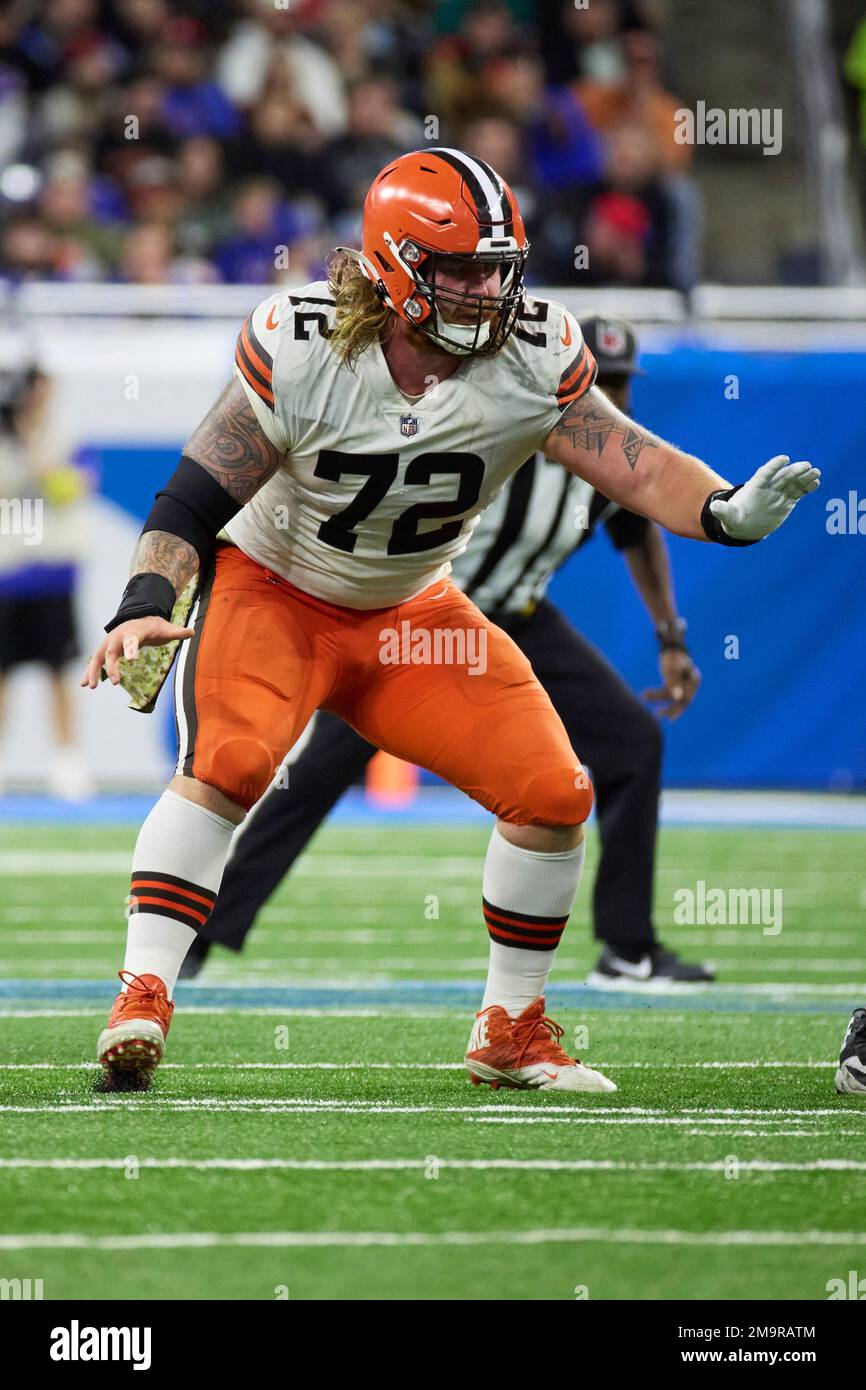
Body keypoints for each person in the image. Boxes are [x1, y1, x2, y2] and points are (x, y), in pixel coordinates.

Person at [82, 146, 819, 1094]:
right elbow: (190, 501)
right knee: (230, 767)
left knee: (554, 796)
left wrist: (722, 513)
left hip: (410, 613)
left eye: (496, 266)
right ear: (394, 266)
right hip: (276, 591)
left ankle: (509, 1029)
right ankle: (145, 990)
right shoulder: (307, 343)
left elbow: (627, 458)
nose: (485, 290)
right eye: (461, 269)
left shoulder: (531, 352)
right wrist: (146, 603)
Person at [182, 314, 712, 988]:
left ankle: (628, 948)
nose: (607, 397)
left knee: (633, 744)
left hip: (519, 616)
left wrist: (671, 637)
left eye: (619, 385)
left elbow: (639, 533)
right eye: (598, 381)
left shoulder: (613, 459)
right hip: (422, 618)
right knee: (317, 773)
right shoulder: (520, 428)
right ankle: (205, 929)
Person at [0, 366, 92, 800]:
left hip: (53, 570)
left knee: (59, 669)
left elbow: (73, 488)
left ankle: (67, 761)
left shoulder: (64, 434)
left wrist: (36, 450)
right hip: (6, 571)